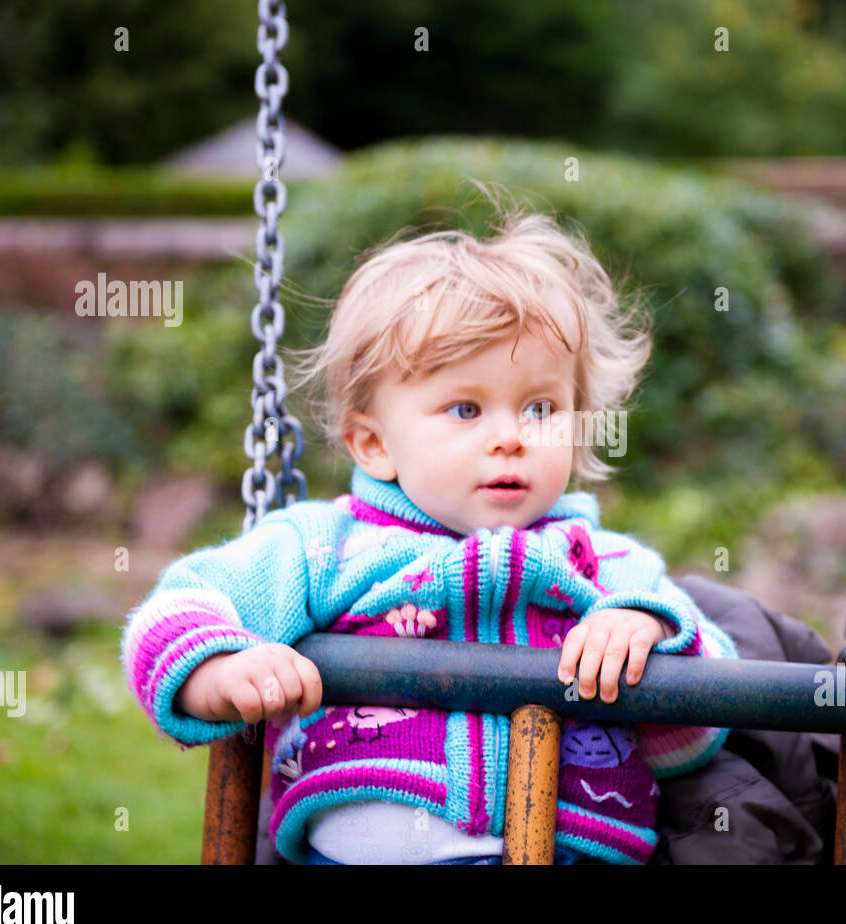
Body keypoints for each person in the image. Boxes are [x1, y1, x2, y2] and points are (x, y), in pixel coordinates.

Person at [120, 201, 739, 865]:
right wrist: (219, 669)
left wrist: (647, 635)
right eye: (466, 408)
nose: (510, 438)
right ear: (373, 443)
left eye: (541, 407)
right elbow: (181, 604)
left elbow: (701, 727)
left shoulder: (606, 565)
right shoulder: (326, 546)